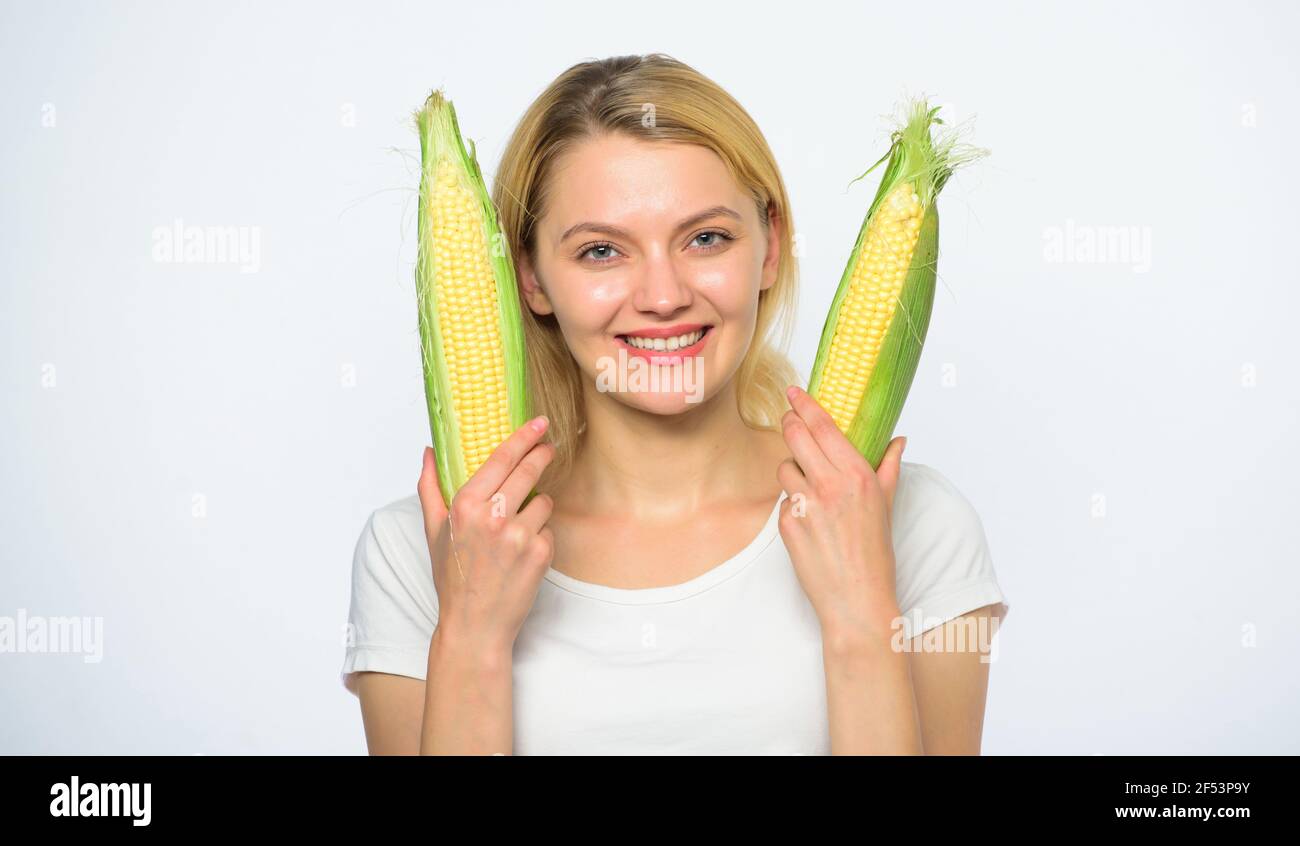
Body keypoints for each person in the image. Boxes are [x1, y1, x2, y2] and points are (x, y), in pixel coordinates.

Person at [342, 53, 1010, 755]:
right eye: (602, 251)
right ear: (533, 278)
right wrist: (472, 633)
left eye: (706, 238)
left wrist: (862, 618)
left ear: (771, 249)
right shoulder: (422, 554)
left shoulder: (910, 524)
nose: (663, 296)